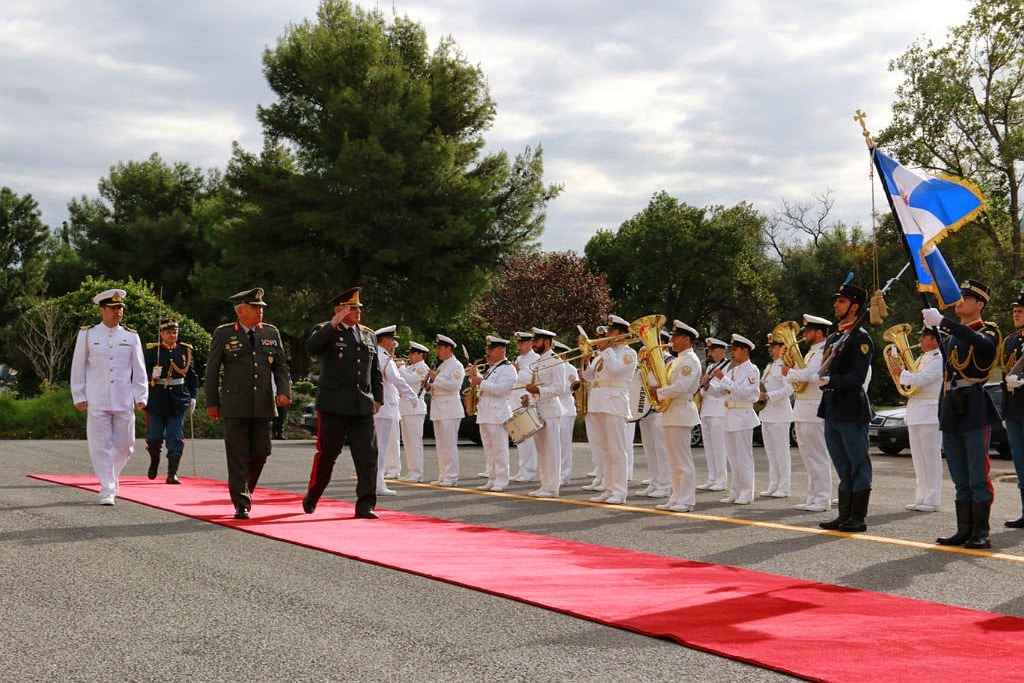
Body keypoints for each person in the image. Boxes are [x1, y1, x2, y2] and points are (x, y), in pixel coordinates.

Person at [924, 279, 1001, 548]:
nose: (961, 300)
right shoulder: (952, 337)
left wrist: (943, 322)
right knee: (959, 473)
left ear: (979, 304)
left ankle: (981, 531)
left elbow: (982, 345)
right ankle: (964, 529)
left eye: (967, 297)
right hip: (952, 407)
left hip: (974, 406)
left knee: (977, 472)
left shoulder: (989, 331)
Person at [206, 288, 292, 519]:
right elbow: (212, 371)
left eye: (261, 308)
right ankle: (241, 502)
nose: (260, 311)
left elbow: (281, 367)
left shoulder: (271, 333)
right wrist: (212, 402)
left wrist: (284, 391)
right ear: (240, 310)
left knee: (262, 452)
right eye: (255, 308)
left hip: (263, 404)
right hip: (235, 404)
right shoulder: (224, 334)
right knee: (237, 454)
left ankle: (246, 489)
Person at [301, 286, 382, 519]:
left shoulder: (368, 334)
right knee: (327, 455)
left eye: (359, 307)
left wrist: (378, 397)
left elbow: (374, 370)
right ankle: (313, 495)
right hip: (334, 405)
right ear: (340, 310)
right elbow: (311, 348)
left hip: (362, 405)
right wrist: (332, 323)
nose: (358, 311)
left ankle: (366, 504)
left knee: (368, 455)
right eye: (353, 308)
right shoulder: (327, 331)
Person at [71, 289, 148, 505]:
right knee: (100, 445)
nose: (118, 311)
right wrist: (79, 394)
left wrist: (141, 395)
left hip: (124, 398)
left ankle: (111, 477)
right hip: (97, 397)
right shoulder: (88, 333)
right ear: (101, 310)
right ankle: (107, 489)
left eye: (121, 307)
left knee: (127, 445)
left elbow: (139, 369)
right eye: (113, 308)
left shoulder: (131, 336)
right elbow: (78, 366)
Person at [817, 281, 874, 533]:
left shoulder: (860, 338)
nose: (836, 305)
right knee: (841, 464)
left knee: (858, 463)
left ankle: (858, 517)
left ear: (855, 306)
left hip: (851, 408)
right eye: (837, 300)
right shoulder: (835, 337)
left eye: (841, 301)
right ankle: (844, 514)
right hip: (831, 408)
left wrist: (831, 380)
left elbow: (857, 378)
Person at [580, 315, 635, 504]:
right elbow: (587, 377)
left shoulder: (628, 353)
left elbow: (616, 370)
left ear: (621, 334)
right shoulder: (604, 353)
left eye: (611, 331)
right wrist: (586, 360)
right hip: (598, 403)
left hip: (614, 404)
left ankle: (619, 492)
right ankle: (608, 488)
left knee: (617, 449)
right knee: (604, 449)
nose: (607, 334)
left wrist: (606, 351)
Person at [650, 320, 702, 512]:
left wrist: (660, 392)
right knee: (672, 459)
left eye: (675, 337)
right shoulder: (678, 359)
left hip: (681, 411)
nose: (671, 341)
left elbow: (683, 386)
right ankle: (677, 495)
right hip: (672, 412)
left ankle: (687, 500)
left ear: (686, 339)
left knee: (682, 459)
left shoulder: (690, 360)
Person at [782, 314, 833, 513]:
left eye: (808, 332)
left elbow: (811, 374)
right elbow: (801, 376)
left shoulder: (822, 352)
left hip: (814, 407)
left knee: (817, 455)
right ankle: (813, 496)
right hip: (803, 408)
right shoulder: (810, 352)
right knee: (808, 456)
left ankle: (822, 498)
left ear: (818, 333)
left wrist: (789, 373)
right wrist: (792, 373)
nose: (804, 336)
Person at [143, 319, 199, 485]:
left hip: (178, 399)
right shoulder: (152, 351)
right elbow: (140, 373)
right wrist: (149, 378)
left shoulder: (184, 350)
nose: (172, 335)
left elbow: (192, 377)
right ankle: (154, 461)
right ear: (161, 334)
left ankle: (172, 472)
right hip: (157, 399)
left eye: (175, 332)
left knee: (175, 437)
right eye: (168, 332)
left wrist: (193, 396)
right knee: (154, 437)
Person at [897, 326, 944, 512]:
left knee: (931, 459)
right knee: (918, 459)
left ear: (935, 339)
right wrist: (902, 372)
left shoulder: (938, 359)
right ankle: (921, 497)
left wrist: (900, 372)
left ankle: (932, 500)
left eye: (924, 336)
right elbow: (909, 381)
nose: (921, 340)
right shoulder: (920, 358)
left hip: (930, 413)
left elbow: (921, 379)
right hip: (916, 411)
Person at [710, 334, 760, 505]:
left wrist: (721, 378)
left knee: (744, 457)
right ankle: (735, 491)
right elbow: (720, 392)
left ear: (745, 351)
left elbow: (743, 392)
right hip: (730, 416)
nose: (733, 353)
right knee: (733, 457)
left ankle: (747, 492)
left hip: (743, 416)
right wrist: (708, 386)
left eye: (736, 349)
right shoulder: (733, 370)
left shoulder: (752, 369)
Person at [523, 327, 569, 497]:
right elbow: (536, 386)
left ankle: (552, 487)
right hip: (539, 409)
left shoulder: (555, 360)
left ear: (547, 342)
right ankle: (545, 484)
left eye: (537, 341)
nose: (534, 343)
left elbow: (561, 387)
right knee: (542, 450)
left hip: (551, 409)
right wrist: (530, 396)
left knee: (551, 450)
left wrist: (539, 391)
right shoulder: (538, 362)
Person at [469, 335, 517, 491]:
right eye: (487, 349)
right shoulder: (492, 368)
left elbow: (501, 390)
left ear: (501, 350)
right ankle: (492, 477)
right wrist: (477, 379)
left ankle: (502, 480)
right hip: (485, 413)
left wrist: (481, 381)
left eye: (491, 349)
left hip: (498, 414)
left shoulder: (508, 369)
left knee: (499, 448)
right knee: (489, 449)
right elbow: (488, 387)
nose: (488, 352)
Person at [373, 325, 416, 496]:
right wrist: (413, 397)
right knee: (381, 448)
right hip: (386, 406)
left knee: (376, 447)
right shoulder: (384, 358)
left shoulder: (374, 355)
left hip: (377, 406)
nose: (393, 343)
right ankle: (378, 483)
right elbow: (397, 380)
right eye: (392, 340)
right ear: (384, 341)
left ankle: (374, 481)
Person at [758, 334, 793, 498]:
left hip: (780, 413)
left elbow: (789, 390)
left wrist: (769, 395)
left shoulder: (786, 366)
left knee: (781, 451)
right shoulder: (769, 367)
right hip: (766, 413)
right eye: (770, 347)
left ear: (782, 348)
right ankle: (774, 483)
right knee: (771, 451)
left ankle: (784, 486)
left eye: (774, 346)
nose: (770, 349)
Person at [428, 334, 465, 486]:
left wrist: (436, 378)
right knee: (441, 444)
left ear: (448, 348)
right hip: (440, 408)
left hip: (450, 408)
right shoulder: (443, 365)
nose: (437, 351)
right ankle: (443, 474)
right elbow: (440, 386)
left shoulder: (456, 365)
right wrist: (429, 386)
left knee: (449, 444)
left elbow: (454, 386)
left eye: (440, 348)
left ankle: (451, 476)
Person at [1002, 286, 1024, 528]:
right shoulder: (1010, 341)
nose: (1016, 314)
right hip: (1014, 410)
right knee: (1020, 462)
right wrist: (1004, 411)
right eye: (1015, 311)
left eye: (1021, 311)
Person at [697, 338, 729, 492]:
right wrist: (703, 384)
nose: (709, 353)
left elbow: (724, 389)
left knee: (719, 447)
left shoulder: (728, 366)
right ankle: (712, 477)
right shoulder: (710, 366)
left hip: (719, 410)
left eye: (712, 351)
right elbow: (705, 390)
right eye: (709, 351)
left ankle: (721, 479)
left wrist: (709, 385)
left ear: (722, 352)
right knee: (709, 447)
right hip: (707, 410)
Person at [398, 341, 430, 482]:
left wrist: (400, 369)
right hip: (405, 407)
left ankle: (417, 473)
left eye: (412, 353)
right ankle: (411, 472)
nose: (409, 355)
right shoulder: (411, 367)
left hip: (415, 408)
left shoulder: (422, 368)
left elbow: (410, 380)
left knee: (414, 442)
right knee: (407, 441)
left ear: (420, 355)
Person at [511, 331, 539, 482]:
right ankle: (522, 469)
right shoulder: (519, 358)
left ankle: (529, 471)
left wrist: (516, 371)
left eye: (522, 343)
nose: (519, 346)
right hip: (515, 401)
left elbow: (531, 379)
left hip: (527, 400)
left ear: (530, 343)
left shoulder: (535, 359)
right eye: (518, 343)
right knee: (519, 439)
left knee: (529, 439)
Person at [553, 340, 579, 487]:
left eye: (557, 354)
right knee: (555, 444)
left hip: (566, 409)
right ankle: (556, 473)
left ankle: (564, 475)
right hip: (555, 408)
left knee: (564, 444)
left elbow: (571, 388)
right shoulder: (553, 368)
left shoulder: (570, 369)